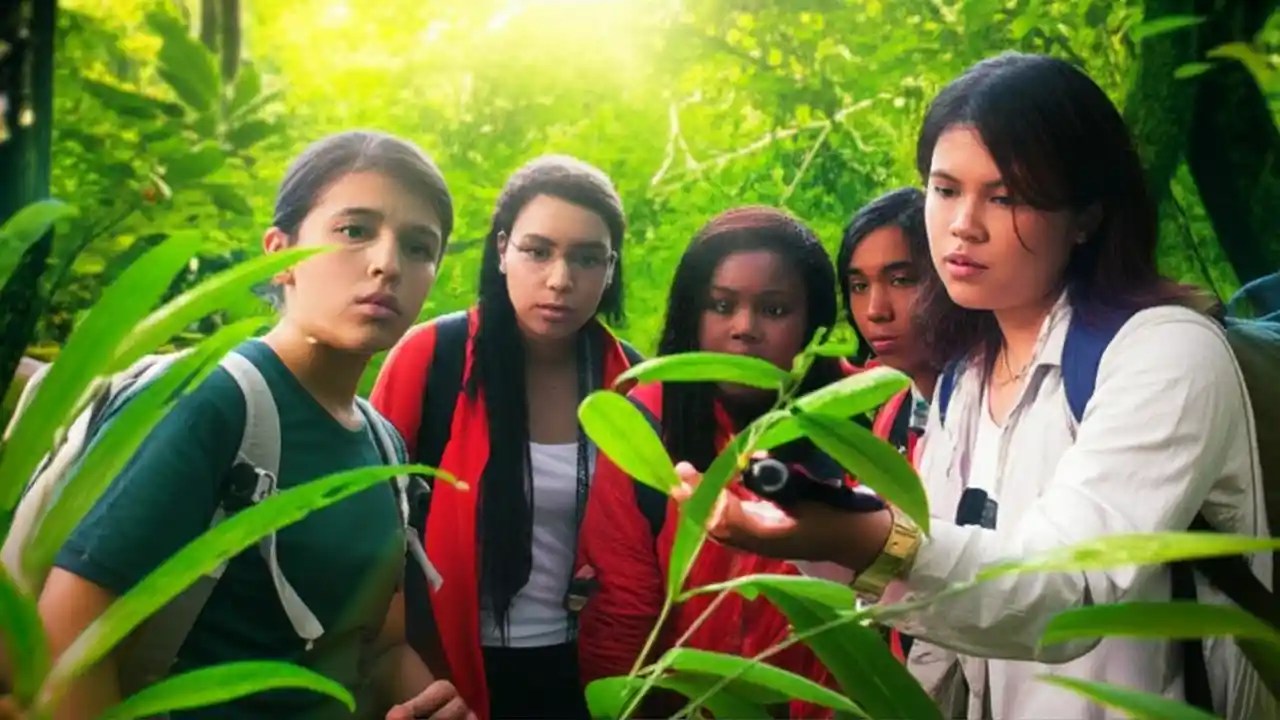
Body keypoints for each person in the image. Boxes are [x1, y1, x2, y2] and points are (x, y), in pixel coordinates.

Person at [668, 53, 1274, 719]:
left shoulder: (1163, 354)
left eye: (1006, 195)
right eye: (946, 188)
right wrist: (824, 538)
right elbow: (943, 606)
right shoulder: (964, 380)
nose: (964, 224)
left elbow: (1067, 590)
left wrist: (867, 539)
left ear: (1087, 216)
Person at [36, 131, 470, 720]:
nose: (386, 263)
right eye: (354, 230)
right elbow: (66, 646)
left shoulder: (382, 442)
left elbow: (379, 647)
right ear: (279, 254)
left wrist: (429, 705)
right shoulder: (211, 402)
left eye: (419, 247)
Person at [371, 155, 643, 720]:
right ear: (501, 251)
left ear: (611, 269)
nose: (560, 280)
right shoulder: (434, 359)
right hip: (440, 672)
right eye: (538, 251)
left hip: (588, 672)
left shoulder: (632, 386)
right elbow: (369, 532)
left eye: (587, 258)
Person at [577, 206, 849, 718]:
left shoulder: (859, 416)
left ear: (812, 321)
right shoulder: (647, 422)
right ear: (691, 315)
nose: (744, 329)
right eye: (721, 306)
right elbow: (623, 609)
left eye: (774, 310)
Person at [838, 186, 936, 464]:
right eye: (859, 286)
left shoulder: (988, 405)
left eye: (900, 280)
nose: (875, 311)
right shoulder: (893, 407)